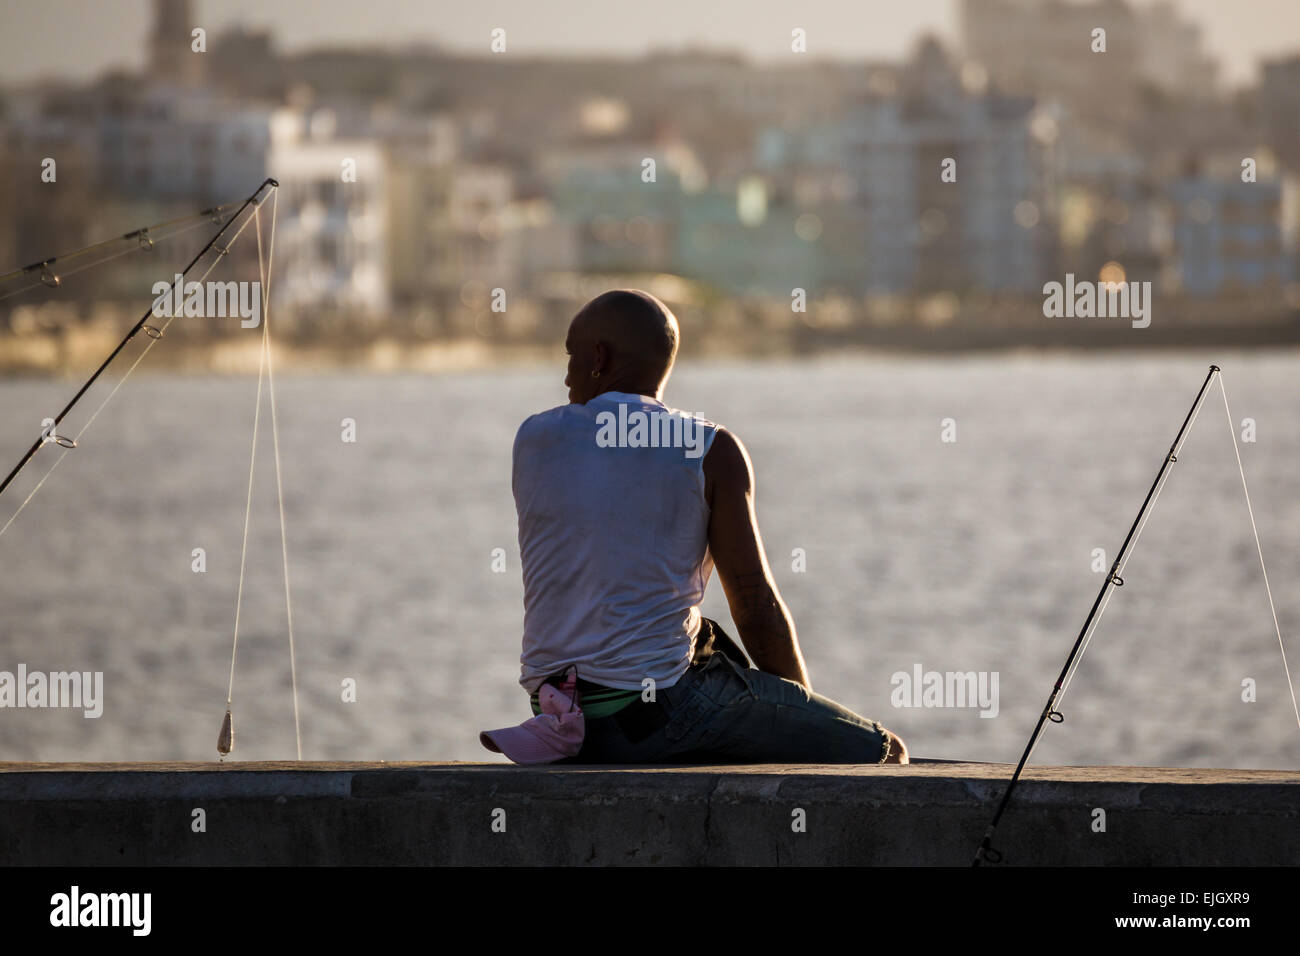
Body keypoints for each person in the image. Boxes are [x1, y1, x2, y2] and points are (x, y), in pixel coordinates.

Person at [484, 289, 908, 764]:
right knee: (885, 753)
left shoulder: (534, 439)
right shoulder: (708, 449)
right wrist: (799, 718)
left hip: (558, 714)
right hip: (658, 714)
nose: (566, 377)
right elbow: (754, 604)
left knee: (702, 636)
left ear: (598, 358)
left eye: (571, 357)